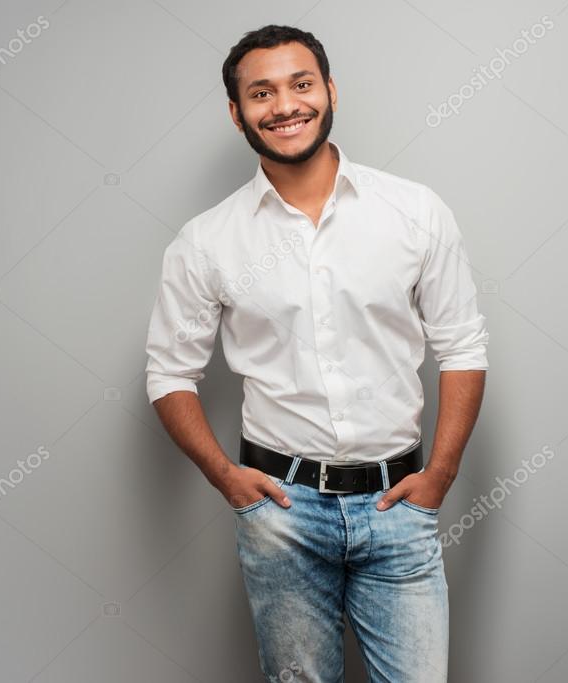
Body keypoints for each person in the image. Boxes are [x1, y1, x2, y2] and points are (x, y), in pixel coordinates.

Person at [143, 23, 488, 683]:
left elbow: (462, 342)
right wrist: (225, 477)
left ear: (329, 90)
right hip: (281, 513)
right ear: (236, 112)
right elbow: (168, 371)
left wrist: (439, 475)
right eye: (261, 92)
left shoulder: (414, 211)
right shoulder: (206, 240)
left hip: (399, 505)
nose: (284, 105)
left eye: (300, 84)